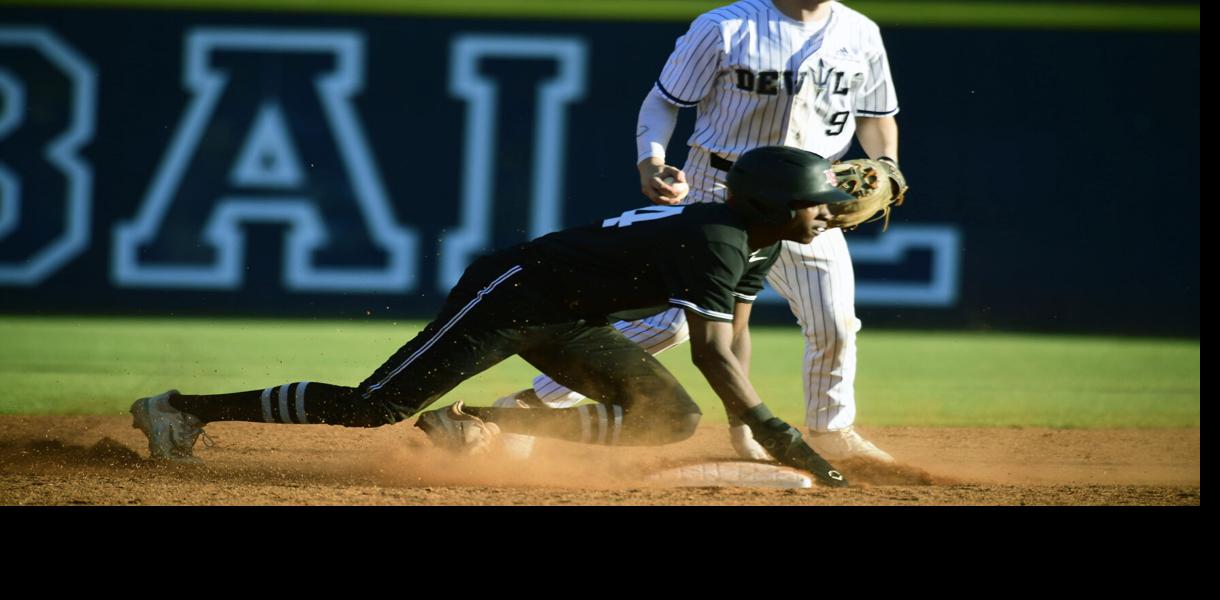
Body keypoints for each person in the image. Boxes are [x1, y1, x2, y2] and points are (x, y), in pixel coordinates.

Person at [128, 146, 856, 487]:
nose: (831, 210)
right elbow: (709, 354)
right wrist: (773, 428)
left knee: (666, 417)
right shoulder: (716, 239)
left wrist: (751, 420)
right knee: (373, 407)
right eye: (814, 200)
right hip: (513, 296)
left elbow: (728, 339)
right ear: (768, 206)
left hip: (574, 317)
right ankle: (180, 409)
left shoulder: (756, 243)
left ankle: (480, 423)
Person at [497, 0, 904, 465]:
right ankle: (534, 402)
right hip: (721, 189)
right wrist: (651, 159)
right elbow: (665, 99)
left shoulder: (861, 31)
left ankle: (832, 430)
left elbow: (876, 114)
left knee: (834, 322)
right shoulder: (725, 27)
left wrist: (887, 164)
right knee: (671, 326)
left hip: (813, 201)